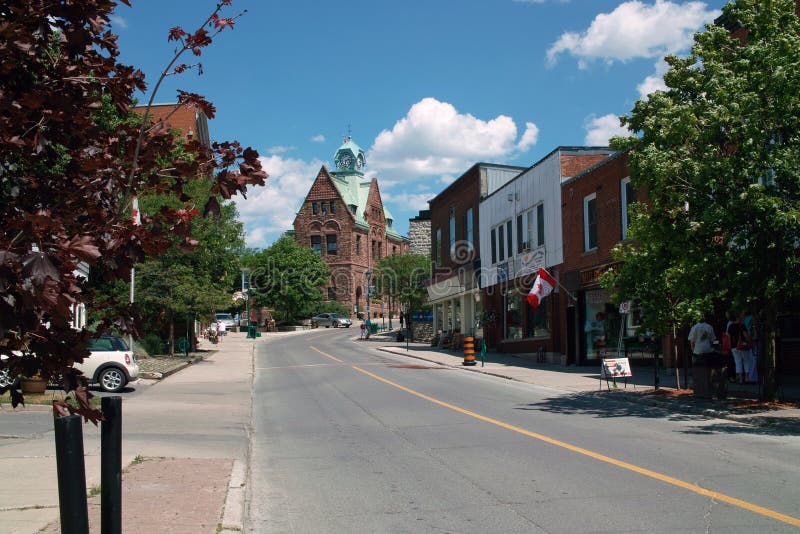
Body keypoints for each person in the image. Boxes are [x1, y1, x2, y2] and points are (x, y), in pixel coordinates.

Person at [727, 312, 751, 384]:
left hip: (734, 347)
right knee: (746, 361)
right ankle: (746, 378)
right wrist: (749, 342)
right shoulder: (742, 325)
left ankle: (739, 379)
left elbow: (728, 337)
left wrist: (730, 347)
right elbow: (746, 336)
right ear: (739, 318)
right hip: (743, 345)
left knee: (738, 362)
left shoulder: (730, 326)